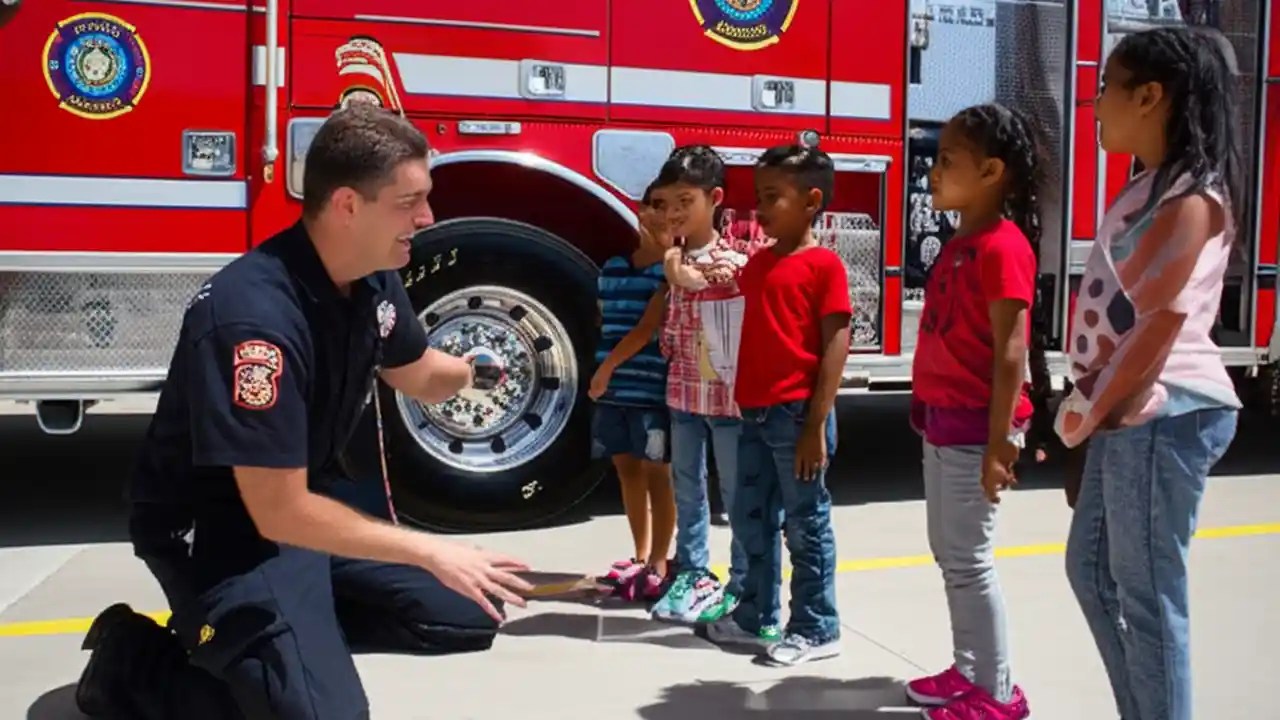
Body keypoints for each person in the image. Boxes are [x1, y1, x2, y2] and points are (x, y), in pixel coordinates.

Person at [74, 104, 534, 720]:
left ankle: (288, 640)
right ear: (348, 205)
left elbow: (418, 371)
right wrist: (429, 550)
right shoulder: (252, 320)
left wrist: (477, 369)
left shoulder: (371, 275)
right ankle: (134, 660)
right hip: (223, 528)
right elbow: (276, 509)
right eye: (409, 202)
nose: (426, 219)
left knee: (469, 613)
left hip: (302, 510)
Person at [1057, 26, 1242, 720]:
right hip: (1128, 407)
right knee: (1092, 572)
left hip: (1162, 408)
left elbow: (1159, 322)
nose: (1096, 102)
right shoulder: (1149, 187)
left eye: (1107, 86)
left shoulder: (1192, 198)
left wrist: (1095, 409)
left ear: (1152, 95)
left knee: (1148, 593)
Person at [901, 103, 1048, 720]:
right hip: (945, 420)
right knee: (950, 553)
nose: (933, 172)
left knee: (969, 560)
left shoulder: (1001, 247)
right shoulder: (963, 240)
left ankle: (997, 692)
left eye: (948, 161)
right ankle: (970, 670)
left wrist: (998, 443)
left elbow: (1010, 352)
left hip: (976, 428)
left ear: (990, 171)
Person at [702, 144, 847, 665]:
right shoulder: (759, 264)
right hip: (754, 412)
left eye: (772, 197)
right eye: (758, 197)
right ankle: (755, 616)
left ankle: (816, 626)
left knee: (805, 524)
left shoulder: (823, 265)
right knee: (751, 517)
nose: (760, 210)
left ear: (811, 201)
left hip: (795, 415)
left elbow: (836, 342)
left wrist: (817, 421)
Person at [588, 182, 678, 602]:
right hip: (614, 391)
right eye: (654, 205)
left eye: (671, 208)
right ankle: (639, 555)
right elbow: (605, 321)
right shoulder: (613, 268)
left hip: (650, 391)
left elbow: (646, 331)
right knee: (627, 471)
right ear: (640, 211)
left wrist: (605, 368)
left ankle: (660, 562)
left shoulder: (671, 273)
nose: (661, 215)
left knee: (658, 475)